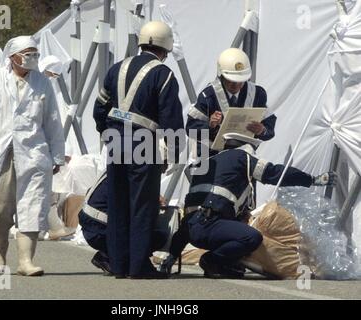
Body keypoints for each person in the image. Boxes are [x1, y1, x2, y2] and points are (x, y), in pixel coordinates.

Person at [159, 133, 337, 278]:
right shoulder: (241, 157)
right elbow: (273, 173)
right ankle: (212, 260)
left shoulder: (206, 163)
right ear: (247, 146)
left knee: (205, 221)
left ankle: (183, 259)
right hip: (211, 227)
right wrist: (312, 179)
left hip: (189, 230)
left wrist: (172, 256)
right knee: (251, 238)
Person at [93, 21, 184, 279]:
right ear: (166, 47)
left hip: (116, 142)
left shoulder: (116, 69)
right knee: (142, 207)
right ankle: (139, 266)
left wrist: (107, 133)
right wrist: (172, 154)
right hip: (144, 145)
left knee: (118, 204)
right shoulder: (163, 74)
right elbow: (171, 119)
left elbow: (99, 108)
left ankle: (119, 265)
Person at [0, 36, 65, 276]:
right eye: (27, 53)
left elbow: (53, 121)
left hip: (34, 154)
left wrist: (57, 156)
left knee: (32, 205)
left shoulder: (43, 83)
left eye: (35, 54)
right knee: (0, 207)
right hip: (0, 153)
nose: (32, 58)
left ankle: (25, 261)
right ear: (13, 56)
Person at [186, 48, 277, 156]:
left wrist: (262, 130)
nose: (236, 85)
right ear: (222, 75)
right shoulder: (208, 95)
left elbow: (269, 128)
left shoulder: (258, 94)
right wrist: (210, 125)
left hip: (244, 155)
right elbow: (191, 128)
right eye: (231, 80)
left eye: (240, 81)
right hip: (212, 156)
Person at [78, 171, 169, 275]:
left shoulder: (119, 170)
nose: (164, 170)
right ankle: (136, 263)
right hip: (101, 229)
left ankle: (112, 258)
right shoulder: (139, 174)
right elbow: (141, 215)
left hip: (92, 224)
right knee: (158, 236)